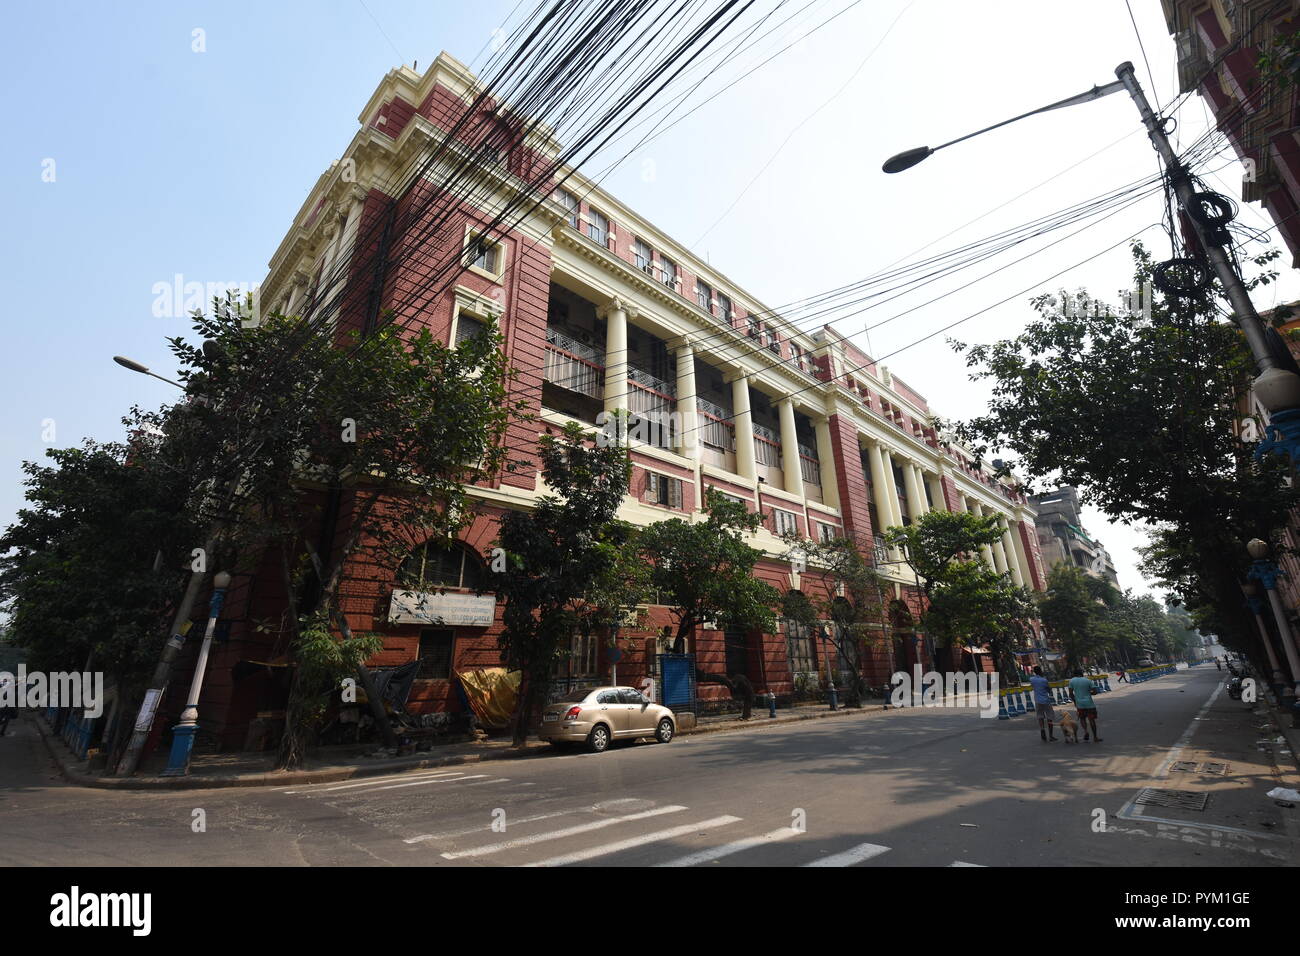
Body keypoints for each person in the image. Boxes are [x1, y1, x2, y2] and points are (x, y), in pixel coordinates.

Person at [1068, 669, 1102, 742]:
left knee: (1082, 718)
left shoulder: (1072, 681)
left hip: (1079, 704)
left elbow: (1070, 694)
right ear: (1081, 673)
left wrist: (1075, 701)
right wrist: (1088, 693)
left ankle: (1086, 731)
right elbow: (1095, 692)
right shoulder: (1087, 680)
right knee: (1091, 720)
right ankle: (1095, 737)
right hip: (1089, 703)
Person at [1029, 666, 1057, 742]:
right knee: (1049, 717)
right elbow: (1048, 690)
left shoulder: (1032, 679)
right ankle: (1051, 736)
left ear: (1034, 672)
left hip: (1037, 701)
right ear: (1041, 671)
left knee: (1040, 716)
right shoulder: (1044, 680)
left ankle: (1042, 730)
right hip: (1046, 700)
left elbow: (1032, 686)